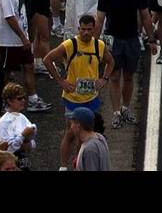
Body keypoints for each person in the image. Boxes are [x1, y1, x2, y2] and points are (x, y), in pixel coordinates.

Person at [43, 14, 114, 170]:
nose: (86, 33)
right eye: (83, 30)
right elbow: (47, 59)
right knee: (71, 133)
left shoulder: (99, 46)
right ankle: (63, 166)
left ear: (94, 29)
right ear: (78, 29)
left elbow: (110, 62)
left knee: (86, 134)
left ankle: (78, 163)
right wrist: (60, 81)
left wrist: (104, 79)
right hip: (73, 98)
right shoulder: (70, 45)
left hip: (91, 98)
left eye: (89, 30)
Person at [95, 0, 154, 129]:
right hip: (113, 40)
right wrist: (94, 45)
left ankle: (126, 108)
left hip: (132, 39)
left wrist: (151, 39)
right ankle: (115, 112)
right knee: (114, 77)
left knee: (128, 77)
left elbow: (145, 16)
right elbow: (99, 20)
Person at [68, 106, 110, 171]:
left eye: (72, 123)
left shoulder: (90, 149)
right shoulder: (99, 137)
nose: (71, 127)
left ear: (78, 126)